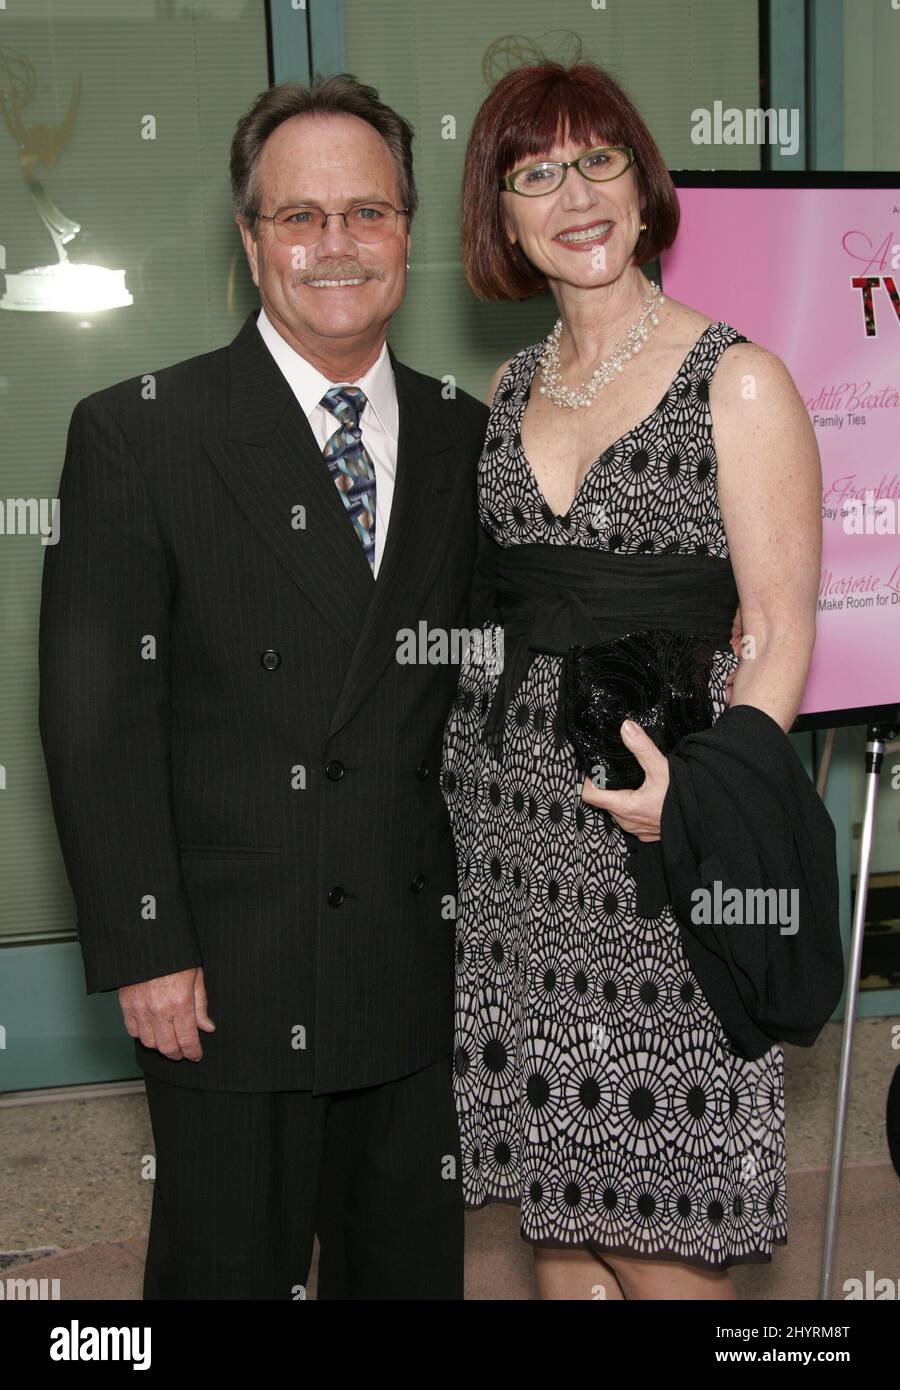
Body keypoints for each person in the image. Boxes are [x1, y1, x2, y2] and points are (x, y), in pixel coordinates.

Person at [38, 74, 490, 1300]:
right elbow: (95, 718)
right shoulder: (141, 432)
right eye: (300, 217)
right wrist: (146, 944)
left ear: (407, 234)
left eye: (368, 212)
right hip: (229, 978)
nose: (335, 244)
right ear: (250, 244)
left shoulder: (466, 436)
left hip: (413, 965)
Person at [441, 58, 821, 1301]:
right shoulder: (504, 391)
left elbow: (774, 632)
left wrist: (698, 805)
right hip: (513, 868)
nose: (576, 193)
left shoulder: (741, 380)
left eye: (599, 158)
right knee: (564, 1240)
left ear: (644, 185)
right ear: (503, 216)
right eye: (536, 171)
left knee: (667, 1248)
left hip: (663, 862)